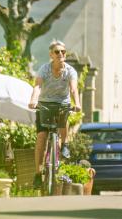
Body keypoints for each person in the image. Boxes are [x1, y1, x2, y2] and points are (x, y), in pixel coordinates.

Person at [28, 40, 81, 188]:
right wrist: (33, 100)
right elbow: (38, 86)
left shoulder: (70, 71)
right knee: (41, 137)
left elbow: (73, 89)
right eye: (57, 52)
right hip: (44, 103)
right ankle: (38, 174)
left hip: (62, 103)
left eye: (63, 52)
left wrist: (77, 103)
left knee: (64, 114)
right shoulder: (44, 69)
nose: (60, 54)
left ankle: (65, 144)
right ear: (51, 54)